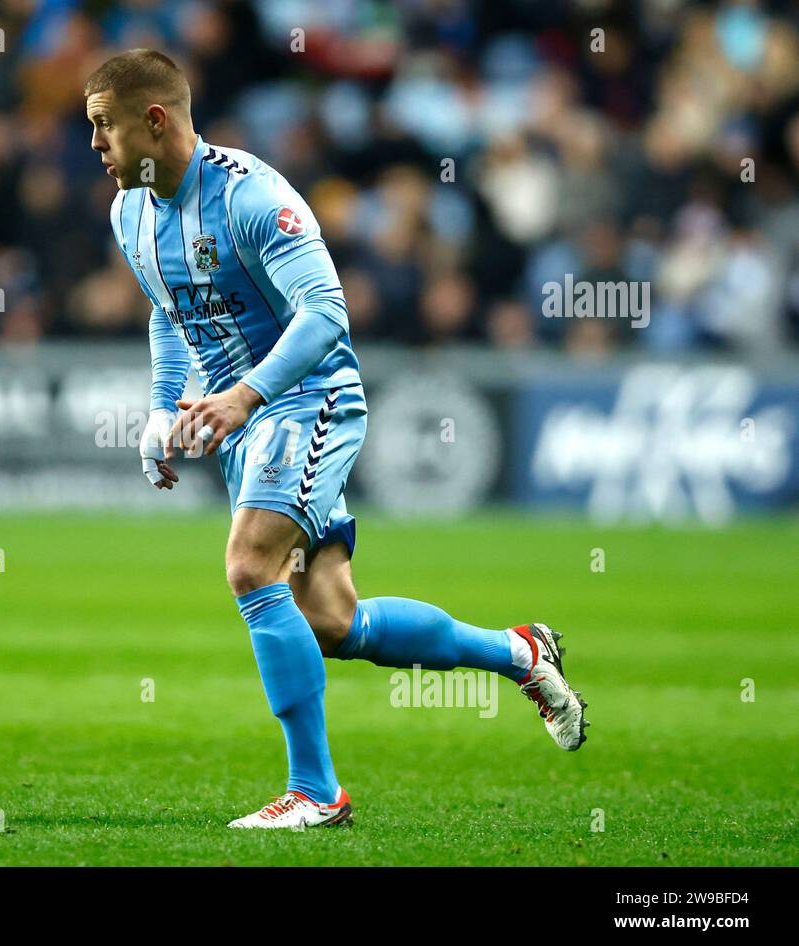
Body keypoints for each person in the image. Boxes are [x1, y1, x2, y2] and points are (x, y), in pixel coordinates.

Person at [85, 49, 589, 830]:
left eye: (103, 126)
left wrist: (247, 394)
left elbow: (325, 315)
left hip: (306, 401)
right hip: (242, 421)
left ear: (154, 121)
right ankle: (521, 652)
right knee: (333, 623)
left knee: (251, 567)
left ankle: (317, 792)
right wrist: (161, 407)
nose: (94, 145)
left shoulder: (253, 197)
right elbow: (165, 308)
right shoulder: (131, 211)